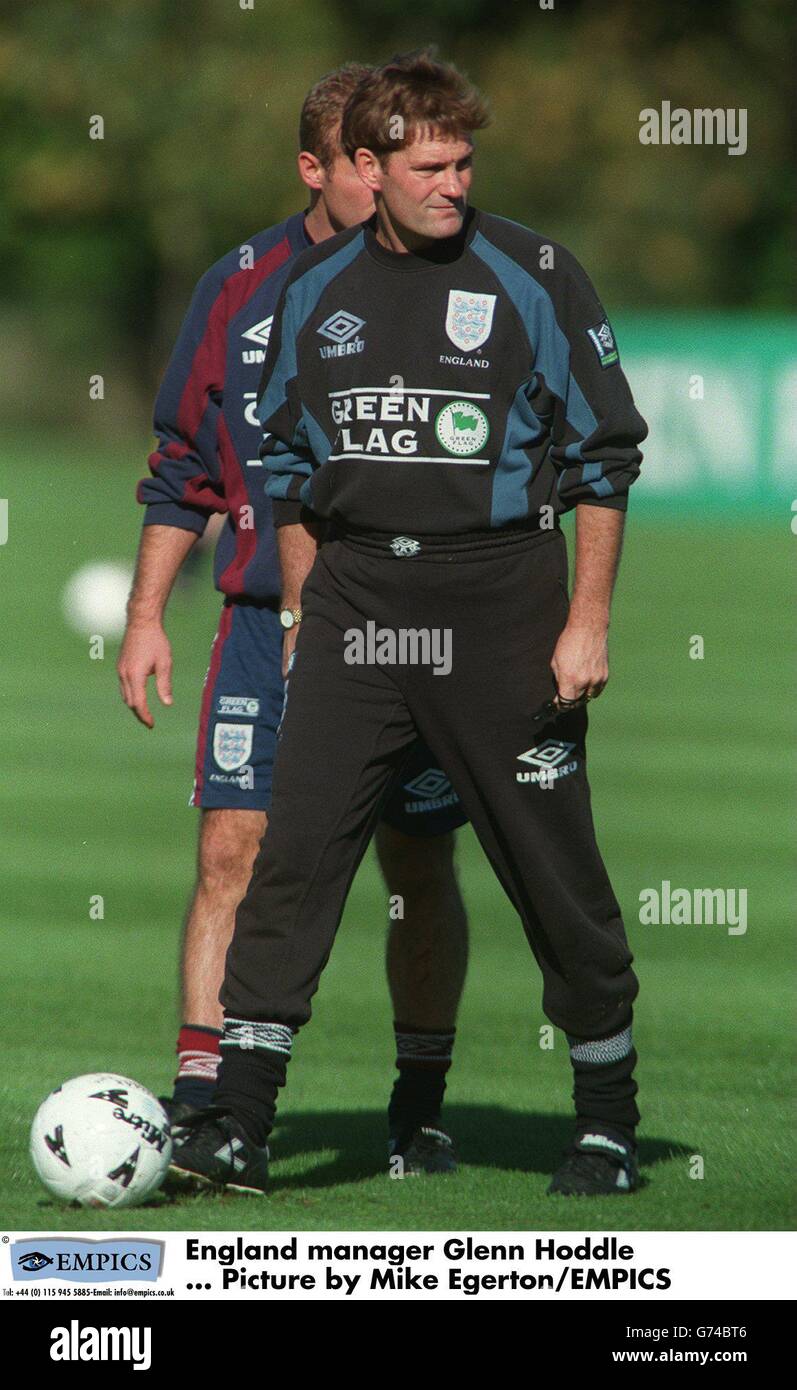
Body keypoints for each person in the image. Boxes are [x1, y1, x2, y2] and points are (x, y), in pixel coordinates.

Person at [171, 48, 648, 1198]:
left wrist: (585, 622)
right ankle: (239, 1119)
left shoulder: (535, 273)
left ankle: (604, 1121)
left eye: (463, 162)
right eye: (429, 165)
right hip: (355, 605)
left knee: (552, 870)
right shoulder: (312, 290)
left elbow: (601, 463)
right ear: (368, 170)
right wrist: (297, 606)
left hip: (500, 605)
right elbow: (284, 462)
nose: (453, 184)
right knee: (295, 860)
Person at [118, 63, 471, 1175]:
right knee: (232, 849)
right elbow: (182, 462)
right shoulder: (240, 285)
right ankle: (200, 1100)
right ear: (320, 167)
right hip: (262, 624)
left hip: (405, 627)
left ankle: (418, 1105)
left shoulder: (457, 277)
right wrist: (143, 617)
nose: (390, 188)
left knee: (415, 868)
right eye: (365, 167)